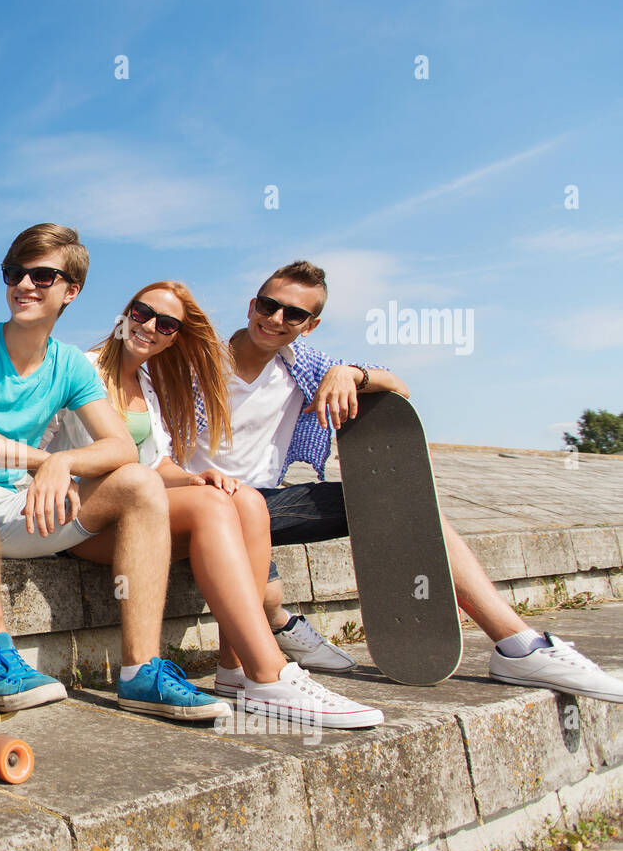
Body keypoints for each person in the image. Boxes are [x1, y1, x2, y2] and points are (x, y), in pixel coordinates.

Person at [187, 259, 623, 704]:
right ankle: (280, 624)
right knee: (266, 589)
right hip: (203, 502)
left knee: (403, 502)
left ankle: (518, 645)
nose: (276, 319)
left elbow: (398, 387)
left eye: (294, 314)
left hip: (267, 503)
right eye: (269, 304)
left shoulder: (302, 366)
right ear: (251, 304)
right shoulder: (198, 361)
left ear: (310, 325)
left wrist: (350, 373)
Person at [0, 224, 229, 722]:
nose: (25, 284)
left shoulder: (70, 366)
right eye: (15, 272)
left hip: (14, 510)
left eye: (42, 275)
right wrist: (45, 461)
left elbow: (121, 446)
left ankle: (141, 672)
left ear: (70, 291)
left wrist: (64, 462)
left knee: (141, 483)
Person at [43, 281, 384, 729]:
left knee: (243, 499)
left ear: (175, 337)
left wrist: (193, 477)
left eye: (166, 325)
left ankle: (235, 669)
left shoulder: (146, 382)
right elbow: (42, 439)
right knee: (209, 506)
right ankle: (271, 673)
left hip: (131, 512)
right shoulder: (82, 369)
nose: (149, 327)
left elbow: (156, 461)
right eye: (142, 313)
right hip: (73, 517)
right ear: (125, 312)